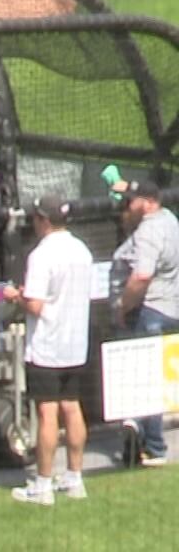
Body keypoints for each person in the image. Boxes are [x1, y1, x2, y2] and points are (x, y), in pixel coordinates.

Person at [2, 193, 93, 505]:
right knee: (72, 406)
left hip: (48, 345)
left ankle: (42, 485)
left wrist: (16, 296)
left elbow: (37, 306)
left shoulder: (41, 255)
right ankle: (75, 478)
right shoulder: (82, 250)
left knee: (47, 412)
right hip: (75, 344)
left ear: (43, 219)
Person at [113, 181, 178, 465]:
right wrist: (123, 183)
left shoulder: (149, 230)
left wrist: (122, 305)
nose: (127, 206)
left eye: (132, 201)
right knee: (150, 376)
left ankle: (152, 444)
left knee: (144, 378)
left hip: (148, 309)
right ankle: (139, 430)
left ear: (148, 202)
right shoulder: (169, 219)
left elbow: (142, 275)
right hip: (168, 307)